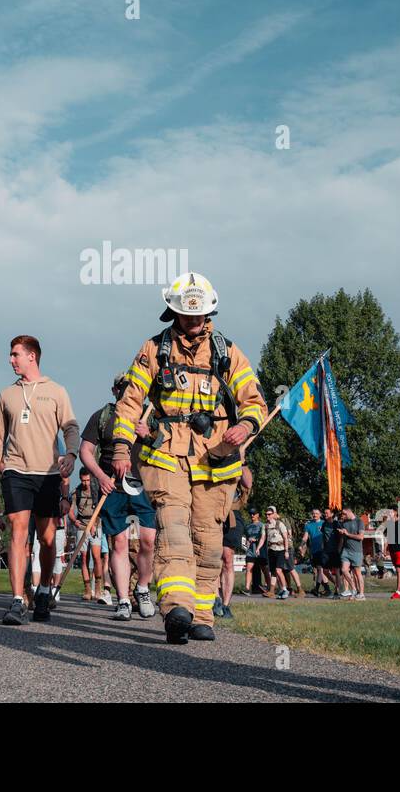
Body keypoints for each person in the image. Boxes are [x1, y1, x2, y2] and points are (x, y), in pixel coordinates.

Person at [111, 271, 267, 643]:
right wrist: (120, 447)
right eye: (186, 314)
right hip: (167, 456)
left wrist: (244, 428)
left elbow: (255, 401)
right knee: (176, 530)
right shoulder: (153, 349)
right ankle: (176, 608)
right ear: (172, 312)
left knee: (210, 541)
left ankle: (201, 616)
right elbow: (130, 401)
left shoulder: (227, 352)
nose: (194, 322)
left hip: (217, 456)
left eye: (200, 315)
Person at [0, 335, 81, 626]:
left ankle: (43, 590)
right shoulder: (6, 395)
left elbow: (71, 427)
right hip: (15, 471)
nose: (11, 360)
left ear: (32, 356)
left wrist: (72, 455)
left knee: (48, 538)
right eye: (10, 355)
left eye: (15, 354)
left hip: (49, 473)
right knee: (17, 530)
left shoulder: (56, 391)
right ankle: (16, 600)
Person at [82, 376, 158, 621]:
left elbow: (167, 447)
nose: (127, 392)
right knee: (120, 544)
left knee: (148, 541)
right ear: (115, 390)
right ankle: (123, 599)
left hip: (143, 485)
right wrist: (101, 477)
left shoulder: (149, 414)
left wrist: (148, 435)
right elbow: (86, 451)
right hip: (113, 487)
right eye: (122, 388)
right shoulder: (102, 417)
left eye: (131, 388)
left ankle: (143, 588)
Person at [215, 464, 253, 620]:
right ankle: (214, 599)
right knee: (211, 558)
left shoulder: (239, 464)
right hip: (212, 513)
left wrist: (240, 460)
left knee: (227, 559)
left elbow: (248, 483)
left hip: (232, 516)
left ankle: (225, 604)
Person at [68, 470, 108, 603]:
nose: (85, 483)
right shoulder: (76, 492)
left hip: (96, 525)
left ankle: (97, 587)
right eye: (83, 480)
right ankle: (87, 589)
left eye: (87, 480)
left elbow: (101, 509)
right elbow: (70, 511)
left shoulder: (96, 491)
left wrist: (95, 524)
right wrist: (74, 520)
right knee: (84, 557)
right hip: (82, 527)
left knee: (97, 557)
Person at [262, 507, 292, 600]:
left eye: (269, 514)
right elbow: (263, 538)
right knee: (273, 572)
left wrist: (286, 551)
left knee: (279, 571)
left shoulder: (280, 524)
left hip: (281, 550)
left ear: (274, 514)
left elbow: (286, 538)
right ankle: (271, 591)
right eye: (266, 514)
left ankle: (285, 589)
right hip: (271, 550)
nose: (267, 516)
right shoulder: (266, 526)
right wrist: (258, 548)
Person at [339, 506, 366, 600]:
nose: (343, 515)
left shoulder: (359, 521)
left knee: (357, 573)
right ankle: (353, 589)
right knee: (343, 570)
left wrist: (348, 534)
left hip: (356, 551)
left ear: (349, 512)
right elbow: (343, 537)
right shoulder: (344, 523)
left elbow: (361, 537)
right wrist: (342, 533)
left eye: (344, 513)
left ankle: (361, 594)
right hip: (346, 550)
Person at [300, 508, 327, 596]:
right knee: (319, 570)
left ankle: (317, 589)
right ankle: (326, 589)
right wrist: (302, 545)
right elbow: (305, 537)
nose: (314, 515)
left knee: (320, 569)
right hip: (313, 550)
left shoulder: (324, 523)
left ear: (320, 514)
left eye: (316, 513)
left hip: (323, 550)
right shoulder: (308, 525)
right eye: (313, 513)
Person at [319, 507, 344, 595]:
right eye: (324, 513)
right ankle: (337, 584)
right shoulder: (324, 524)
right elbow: (323, 536)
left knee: (336, 570)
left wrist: (339, 549)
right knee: (325, 570)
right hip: (326, 551)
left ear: (332, 514)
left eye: (327, 513)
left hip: (335, 550)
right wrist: (322, 547)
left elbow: (341, 537)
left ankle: (337, 591)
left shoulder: (337, 524)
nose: (325, 514)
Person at [242, 510, 266, 596]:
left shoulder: (261, 525)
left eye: (254, 514)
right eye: (250, 513)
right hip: (250, 551)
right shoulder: (247, 526)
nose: (252, 515)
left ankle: (270, 588)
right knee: (249, 568)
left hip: (260, 551)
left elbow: (264, 537)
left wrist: (256, 540)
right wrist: (247, 540)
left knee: (264, 569)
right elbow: (245, 536)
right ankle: (247, 589)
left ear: (258, 515)